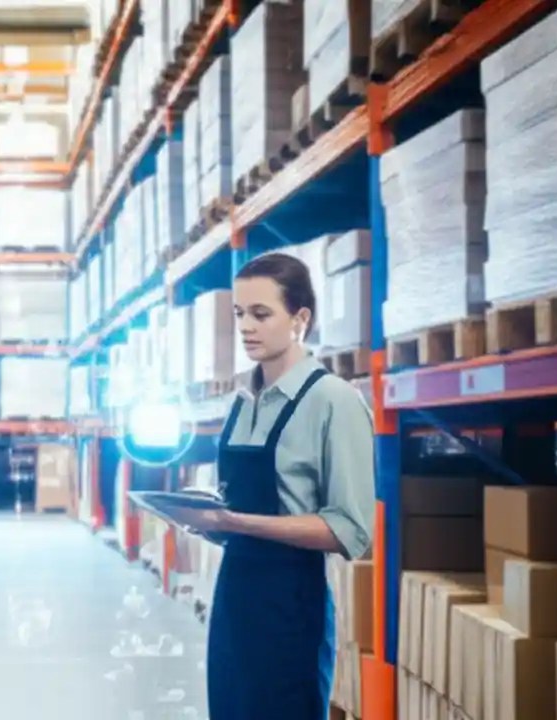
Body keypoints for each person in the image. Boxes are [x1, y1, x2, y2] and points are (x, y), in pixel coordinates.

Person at [173, 251, 375, 719]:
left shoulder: (333, 401)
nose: (247, 327)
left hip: (290, 609)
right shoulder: (243, 402)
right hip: (234, 600)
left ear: (300, 318)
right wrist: (207, 521)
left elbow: (350, 531)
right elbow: (237, 508)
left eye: (261, 314)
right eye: (239, 313)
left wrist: (239, 523)